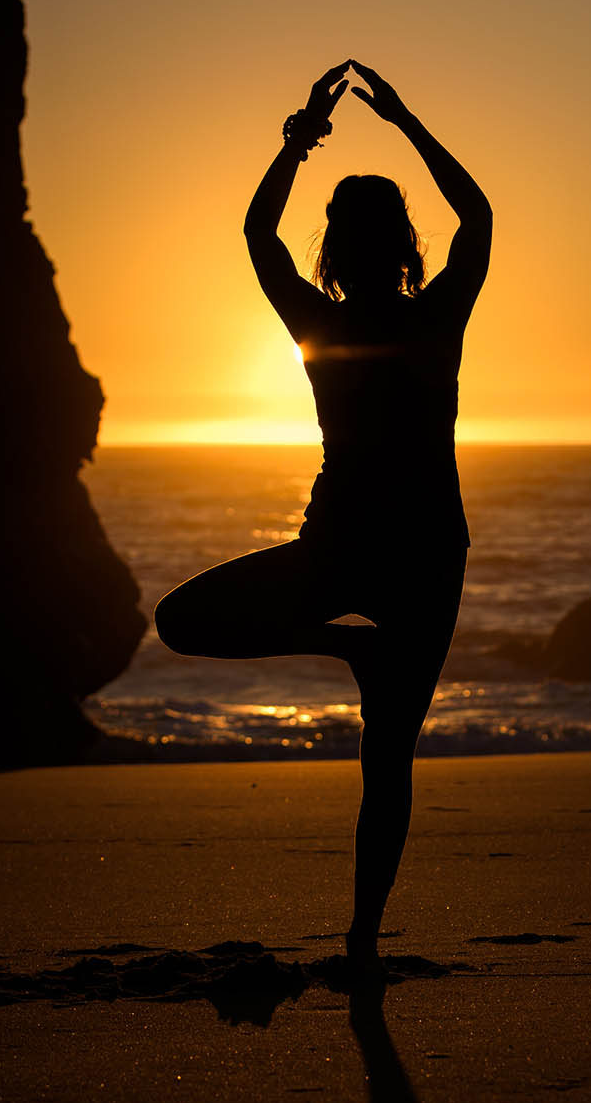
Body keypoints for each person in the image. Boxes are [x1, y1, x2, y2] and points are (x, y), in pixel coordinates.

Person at [154, 60, 492, 977]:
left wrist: (302, 134)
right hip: (417, 553)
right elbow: (480, 220)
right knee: (388, 762)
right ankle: (361, 944)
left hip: (347, 550)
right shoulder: (438, 318)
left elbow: (260, 229)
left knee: (179, 623)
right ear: (403, 244)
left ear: (335, 251)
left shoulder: (315, 320)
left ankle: (344, 649)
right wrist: (409, 121)